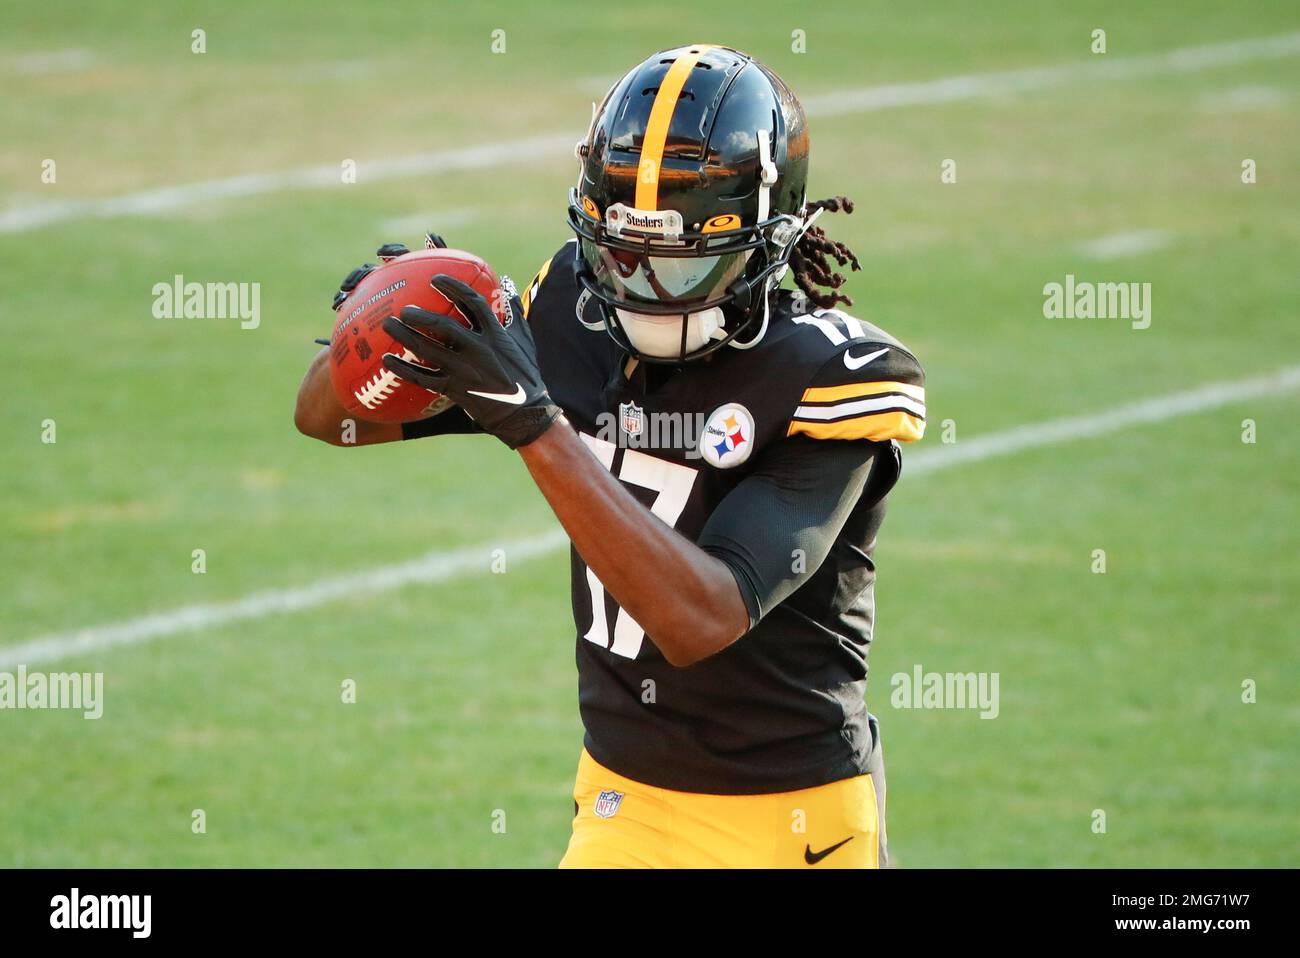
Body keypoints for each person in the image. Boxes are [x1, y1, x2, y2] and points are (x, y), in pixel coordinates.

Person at [295, 44, 926, 868]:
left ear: (769, 240)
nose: (643, 289)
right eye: (623, 253)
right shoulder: (572, 308)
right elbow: (331, 421)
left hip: (791, 820)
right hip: (622, 800)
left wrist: (535, 424)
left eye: (685, 259)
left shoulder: (825, 375)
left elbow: (698, 618)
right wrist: (373, 336)